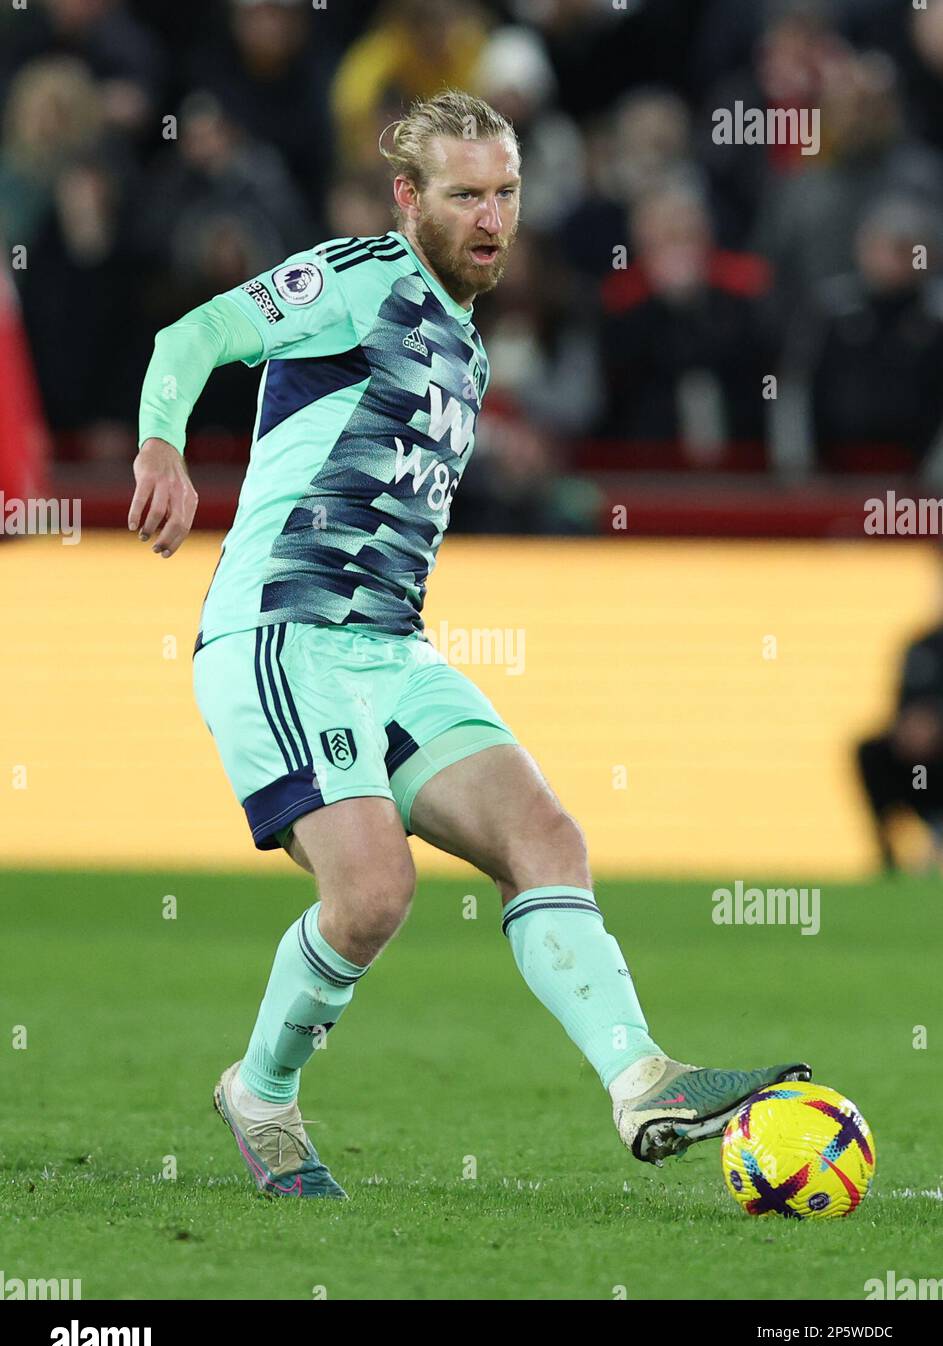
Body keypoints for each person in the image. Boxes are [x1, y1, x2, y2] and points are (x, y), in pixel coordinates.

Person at [129, 89, 809, 1199]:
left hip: (390, 651)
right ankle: (262, 1091)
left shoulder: (468, 344)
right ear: (408, 198)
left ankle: (641, 1080)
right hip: (285, 635)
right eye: (465, 195)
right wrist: (163, 445)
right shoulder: (358, 277)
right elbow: (192, 333)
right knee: (371, 896)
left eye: (506, 193)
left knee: (545, 834)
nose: (492, 217)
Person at [857, 622, 943, 872]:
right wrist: (910, 729)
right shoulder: (923, 647)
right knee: (871, 752)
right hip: (920, 766)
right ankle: (889, 857)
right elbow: (903, 704)